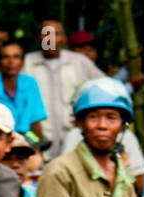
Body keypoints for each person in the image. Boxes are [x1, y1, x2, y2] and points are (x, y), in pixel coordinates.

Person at [36, 81, 141, 197]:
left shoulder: (122, 172)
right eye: (93, 117)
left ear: (122, 126)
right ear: (80, 123)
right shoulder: (59, 171)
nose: (102, 125)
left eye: (111, 117)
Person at [26, 18, 103, 160]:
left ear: (64, 38)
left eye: (56, 34)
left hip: (76, 141)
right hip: (38, 145)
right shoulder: (26, 64)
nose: (50, 39)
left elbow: (103, 89)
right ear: (38, 38)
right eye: (46, 33)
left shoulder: (79, 62)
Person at [0, 42, 47, 141]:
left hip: (28, 141)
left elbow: (36, 122)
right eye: (5, 57)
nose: (11, 62)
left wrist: (38, 148)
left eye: (16, 57)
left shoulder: (30, 83)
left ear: (23, 62)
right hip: (0, 142)